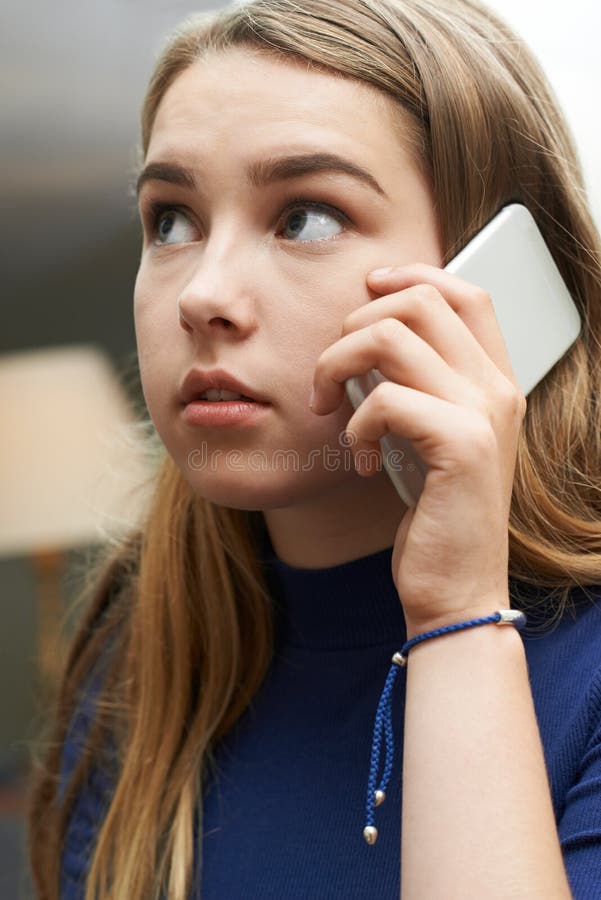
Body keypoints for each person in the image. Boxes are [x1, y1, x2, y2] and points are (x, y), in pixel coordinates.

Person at [26, 0, 601, 897]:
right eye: (170, 219)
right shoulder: (135, 664)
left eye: (304, 216)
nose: (202, 295)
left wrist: (456, 611)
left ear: (498, 273)